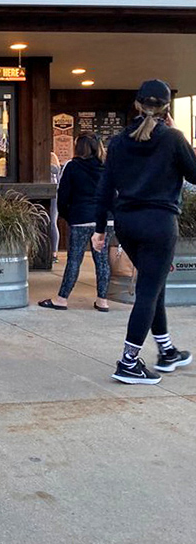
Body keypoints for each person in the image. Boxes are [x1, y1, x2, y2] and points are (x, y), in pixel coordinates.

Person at [92, 79, 196, 385]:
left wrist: (100, 230)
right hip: (159, 224)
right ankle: (128, 362)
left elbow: (104, 189)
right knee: (148, 292)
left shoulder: (119, 142)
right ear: (166, 109)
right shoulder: (173, 139)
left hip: (126, 224)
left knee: (155, 285)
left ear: (137, 105)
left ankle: (166, 351)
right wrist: (182, 137)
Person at [38, 134, 112, 312]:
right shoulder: (107, 167)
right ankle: (103, 301)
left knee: (74, 260)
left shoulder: (72, 166)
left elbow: (62, 196)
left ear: (79, 148)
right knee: (102, 261)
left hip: (80, 219)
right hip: (105, 219)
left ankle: (61, 299)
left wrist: (68, 216)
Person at [50, 151, 61, 263]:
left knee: (52, 223)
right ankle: (54, 252)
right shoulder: (53, 157)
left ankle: (54, 252)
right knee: (52, 223)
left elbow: (55, 170)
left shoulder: (51, 157)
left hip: (54, 195)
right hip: (55, 195)